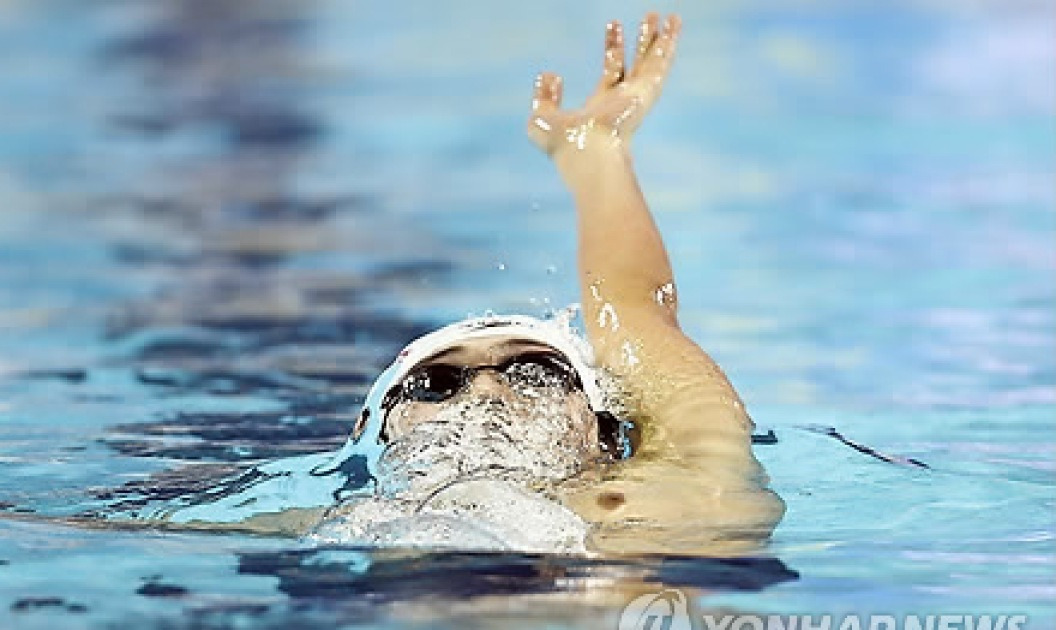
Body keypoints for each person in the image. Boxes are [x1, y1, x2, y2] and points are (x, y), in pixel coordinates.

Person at [155, 11, 784, 556]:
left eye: (535, 371)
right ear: (375, 438)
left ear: (608, 430)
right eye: (435, 383)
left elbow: (636, 314)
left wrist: (596, 156)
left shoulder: (680, 489)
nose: (485, 390)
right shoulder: (306, 526)